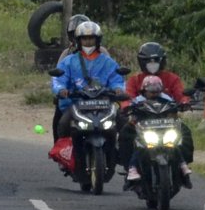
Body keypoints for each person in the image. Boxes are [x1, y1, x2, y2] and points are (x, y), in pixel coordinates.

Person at [121, 42, 194, 185]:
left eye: (156, 61)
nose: (152, 64)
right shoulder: (135, 80)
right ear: (142, 62)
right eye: (148, 61)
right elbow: (128, 97)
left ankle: (183, 165)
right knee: (125, 134)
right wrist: (126, 106)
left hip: (169, 121)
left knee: (185, 133)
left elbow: (181, 95)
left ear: (163, 61)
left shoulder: (172, 78)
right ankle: (130, 168)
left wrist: (185, 102)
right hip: (141, 122)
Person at [49, 21, 125, 142]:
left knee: (122, 122)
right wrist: (61, 89)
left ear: (98, 40)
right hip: (76, 104)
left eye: (91, 39)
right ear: (79, 41)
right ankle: (67, 154)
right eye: (85, 39)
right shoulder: (68, 61)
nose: (88, 42)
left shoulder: (107, 61)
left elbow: (116, 78)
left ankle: (119, 154)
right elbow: (59, 79)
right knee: (63, 124)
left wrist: (118, 89)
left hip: (103, 104)